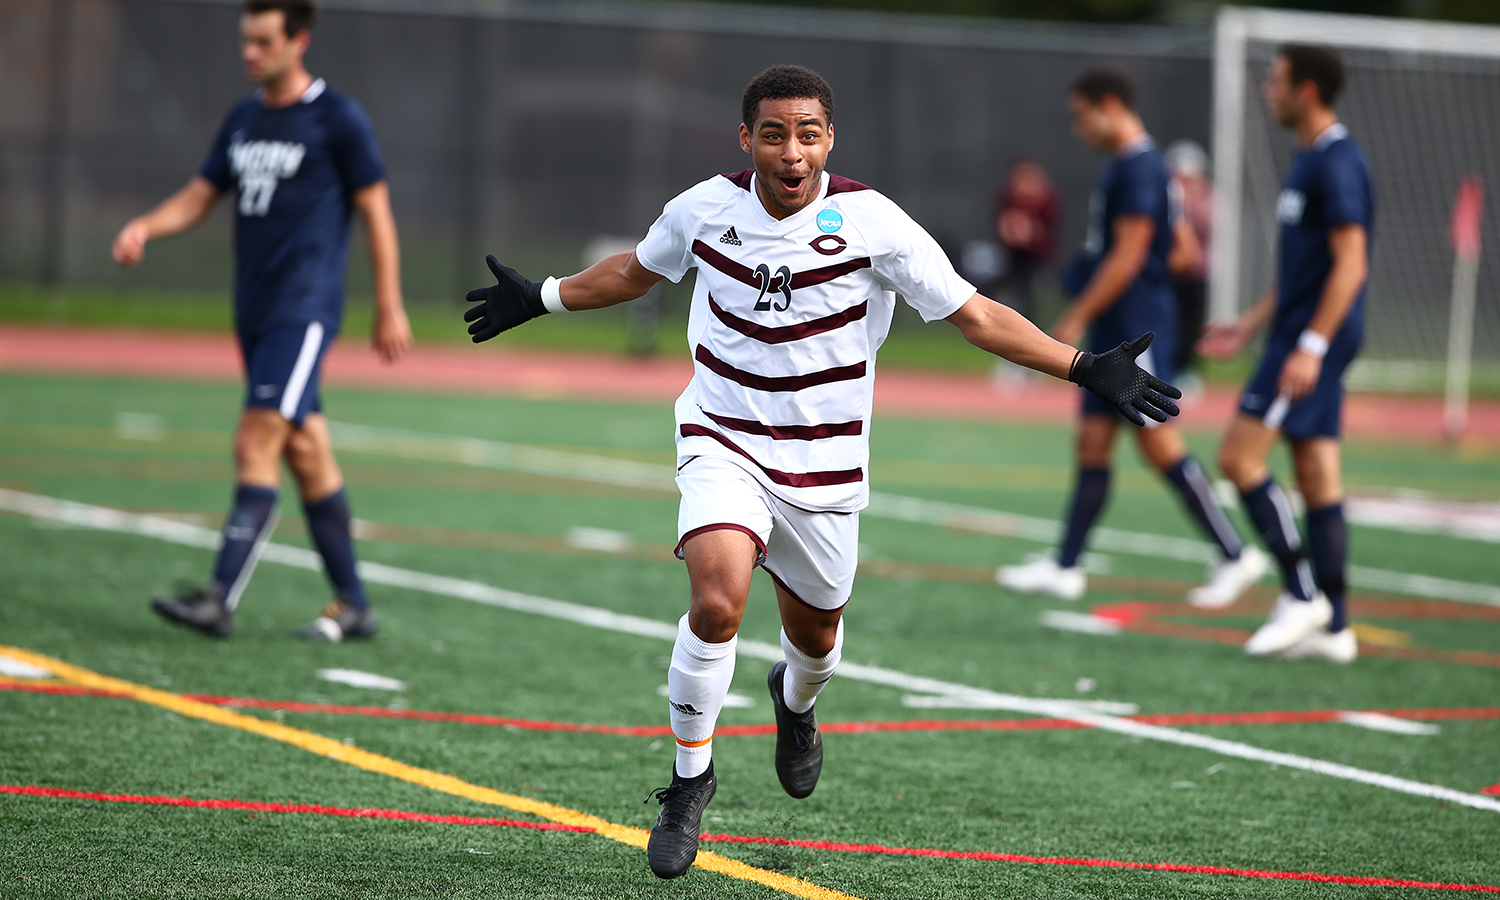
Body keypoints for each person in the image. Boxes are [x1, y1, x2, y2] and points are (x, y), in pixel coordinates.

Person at [461, 65, 1179, 881]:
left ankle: (795, 705)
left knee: (817, 641)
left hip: (826, 470)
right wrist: (545, 296)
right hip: (721, 439)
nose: (791, 150)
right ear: (747, 140)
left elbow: (975, 315)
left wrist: (1082, 365)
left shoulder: (876, 225)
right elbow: (636, 270)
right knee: (717, 599)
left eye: (808, 133)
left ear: (829, 140)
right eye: (774, 133)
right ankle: (689, 784)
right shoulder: (702, 209)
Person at [111, 0, 411, 641]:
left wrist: (388, 301)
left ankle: (218, 597)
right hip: (253, 311)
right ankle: (353, 605)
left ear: (298, 40)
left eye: (263, 41)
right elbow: (200, 193)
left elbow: (376, 210)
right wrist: (145, 227)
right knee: (305, 452)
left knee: (256, 439)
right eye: (245, 40)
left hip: (302, 312)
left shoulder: (338, 117)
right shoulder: (244, 118)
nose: (250, 53)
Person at [997, 68, 1267, 608]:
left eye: (1080, 116)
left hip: (1133, 331)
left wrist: (1076, 315)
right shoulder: (1141, 167)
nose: (1078, 129)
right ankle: (1067, 565)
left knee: (1160, 442)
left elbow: (1130, 253)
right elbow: (1181, 251)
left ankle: (1237, 554)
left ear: (1108, 106)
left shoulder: (1140, 167)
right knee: (1092, 443)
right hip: (1123, 322)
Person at [1198, 44, 1372, 664]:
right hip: (1297, 334)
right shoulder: (1308, 160)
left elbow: (1351, 266)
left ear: (1306, 90)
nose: (1266, 91)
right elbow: (1306, 272)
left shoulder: (1337, 163)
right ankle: (1336, 628)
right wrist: (1248, 326)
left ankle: (1302, 595)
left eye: (1275, 82)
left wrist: (1311, 346)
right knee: (1317, 472)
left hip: (1312, 341)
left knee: (1238, 458)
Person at [1166, 139, 1211, 391]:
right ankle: (1168, 367)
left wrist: (1190, 199)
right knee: (1167, 323)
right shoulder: (1167, 197)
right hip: (1171, 273)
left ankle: (1187, 370)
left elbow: (1207, 224)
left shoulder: (1206, 198)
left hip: (1195, 274)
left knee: (1190, 323)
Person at [993, 158, 1061, 321]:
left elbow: (1050, 232)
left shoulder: (1045, 201)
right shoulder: (1007, 199)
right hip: (1014, 258)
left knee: (1033, 296)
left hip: (1037, 258)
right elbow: (1002, 228)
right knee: (1016, 295)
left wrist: (1032, 234)